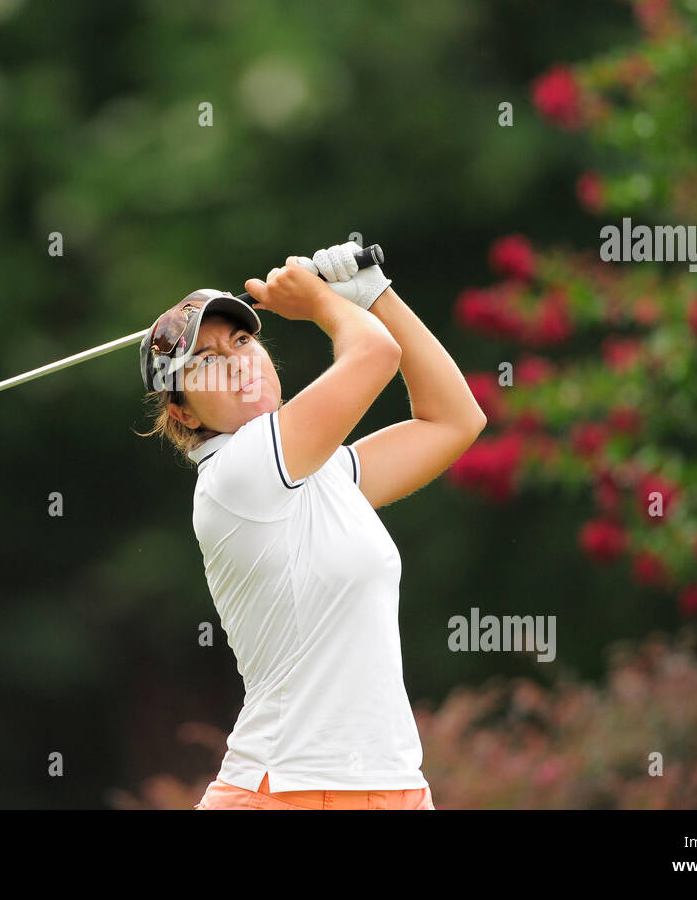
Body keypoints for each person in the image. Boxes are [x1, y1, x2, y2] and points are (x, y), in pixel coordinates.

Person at [136, 243, 486, 810]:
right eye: (205, 359)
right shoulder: (237, 474)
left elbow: (454, 420)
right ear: (183, 412)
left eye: (243, 341)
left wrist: (377, 296)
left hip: (393, 788)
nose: (237, 360)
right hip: (284, 790)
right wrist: (322, 303)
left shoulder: (325, 476)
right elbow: (374, 354)